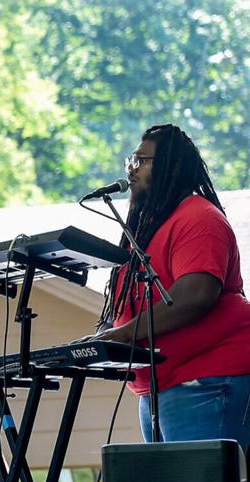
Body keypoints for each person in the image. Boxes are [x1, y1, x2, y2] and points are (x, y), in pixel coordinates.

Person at [93, 124, 250, 451]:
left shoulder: (198, 218)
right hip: (163, 387)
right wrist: (106, 333)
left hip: (206, 381)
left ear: (169, 167)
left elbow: (195, 295)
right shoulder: (151, 227)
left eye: (141, 162)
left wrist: (123, 334)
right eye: (129, 162)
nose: (131, 171)